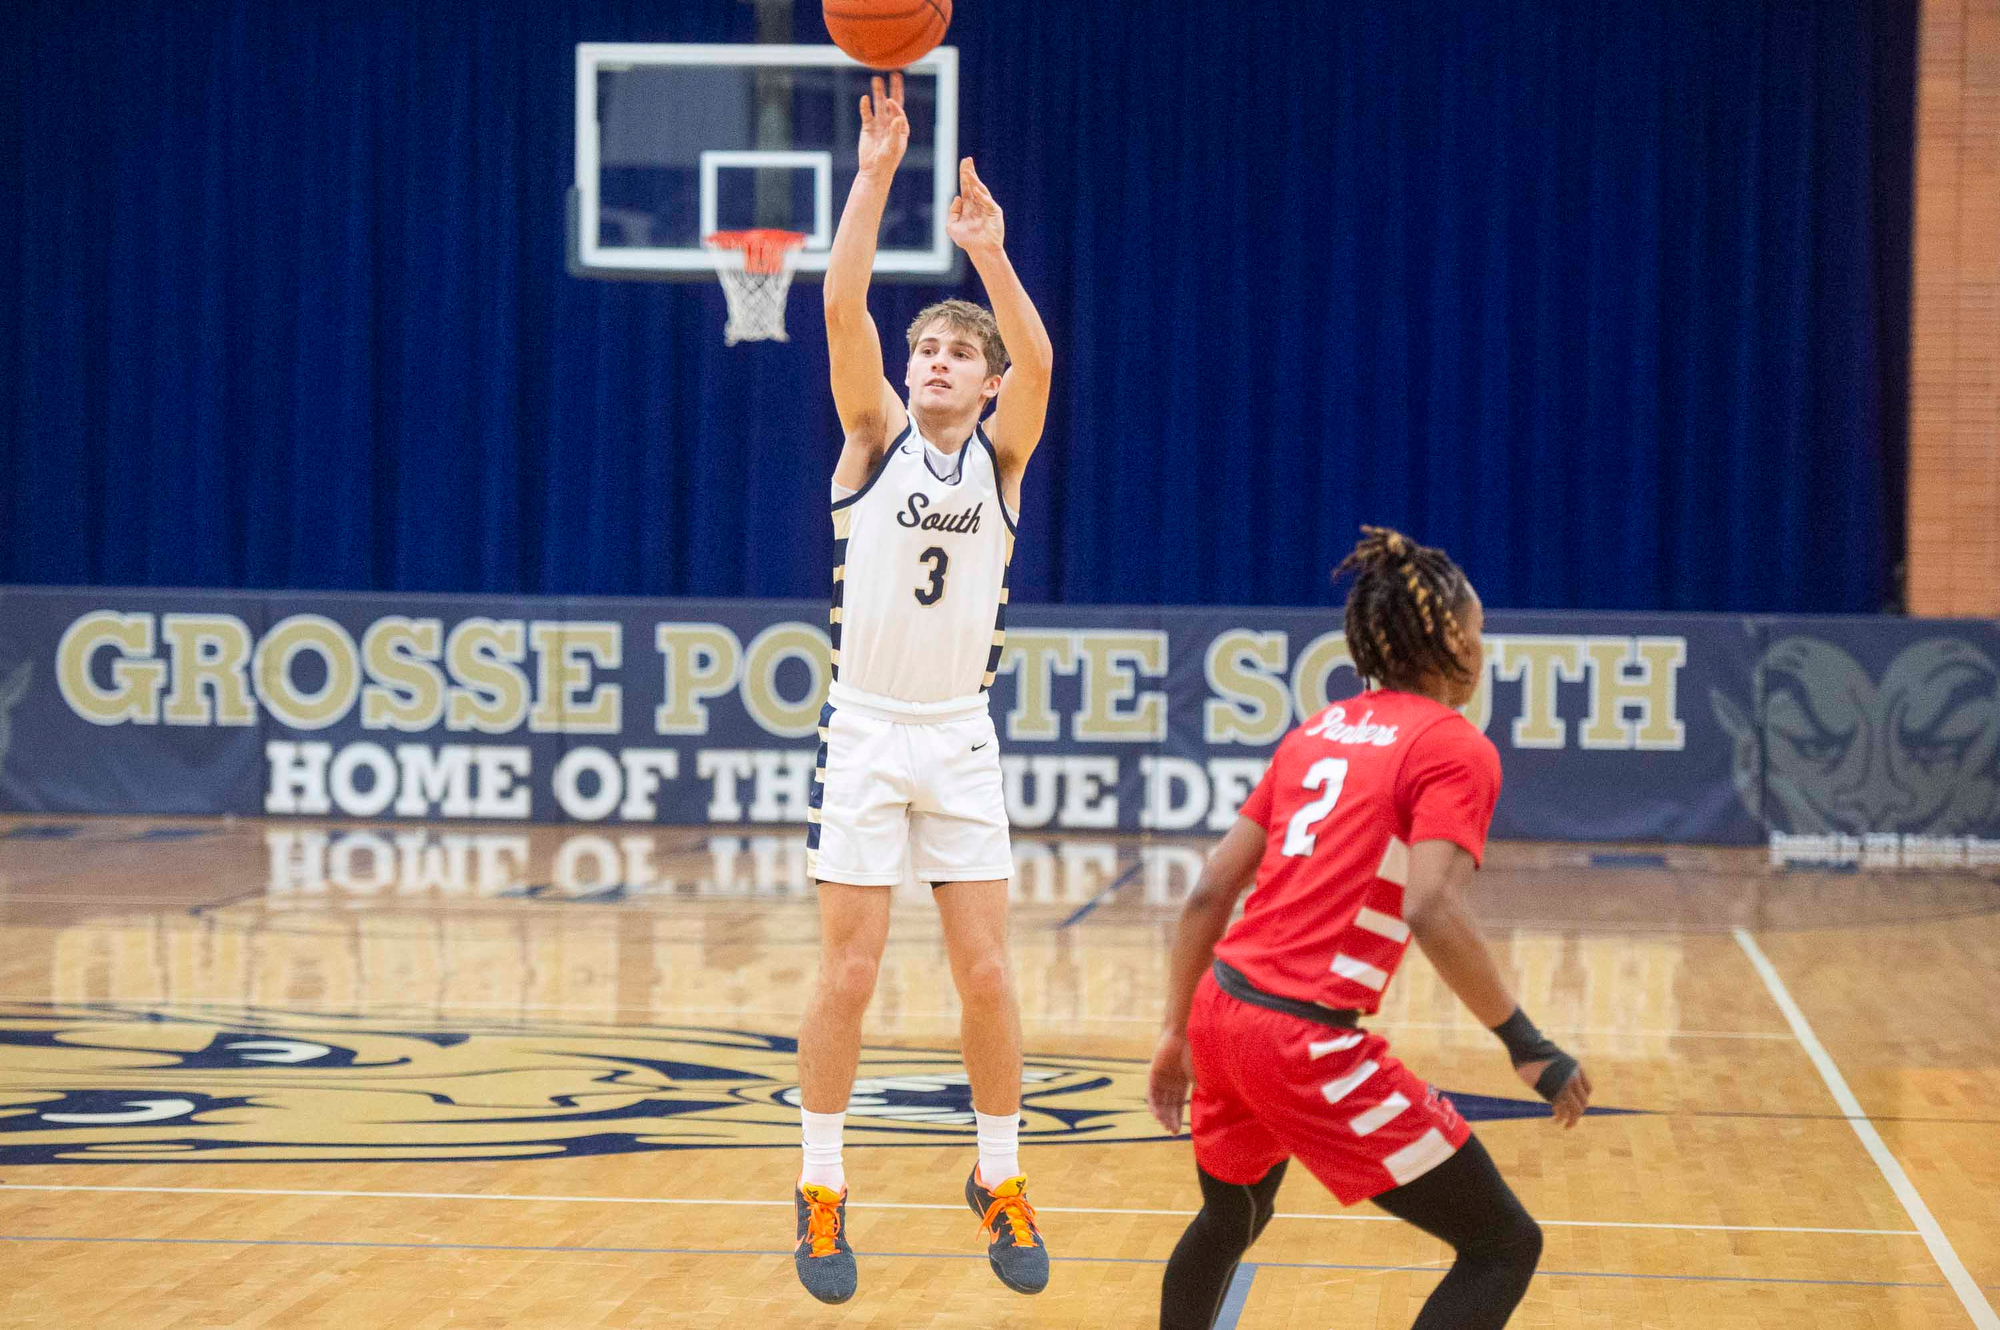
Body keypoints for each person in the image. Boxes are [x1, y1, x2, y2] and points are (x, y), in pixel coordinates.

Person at [1146, 526, 1593, 1330]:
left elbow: (1208, 893)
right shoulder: (1454, 747)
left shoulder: (1316, 732)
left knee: (1230, 1219)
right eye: (1480, 633)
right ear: (1451, 639)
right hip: (1302, 1039)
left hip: (1219, 1010)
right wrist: (1527, 1042)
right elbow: (1431, 905)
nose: (1483, 651)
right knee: (1503, 1246)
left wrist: (1176, 1032)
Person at [791, 73, 1056, 1306]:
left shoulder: (1002, 454)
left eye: (960, 352)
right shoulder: (870, 435)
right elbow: (841, 297)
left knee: (988, 973)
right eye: (929, 347)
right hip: (866, 732)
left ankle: (996, 1175)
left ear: (986, 382)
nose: (939, 359)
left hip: (958, 736)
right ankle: (822, 1182)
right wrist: (876, 173)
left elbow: (1040, 353)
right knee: (846, 973)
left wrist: (989, 258)